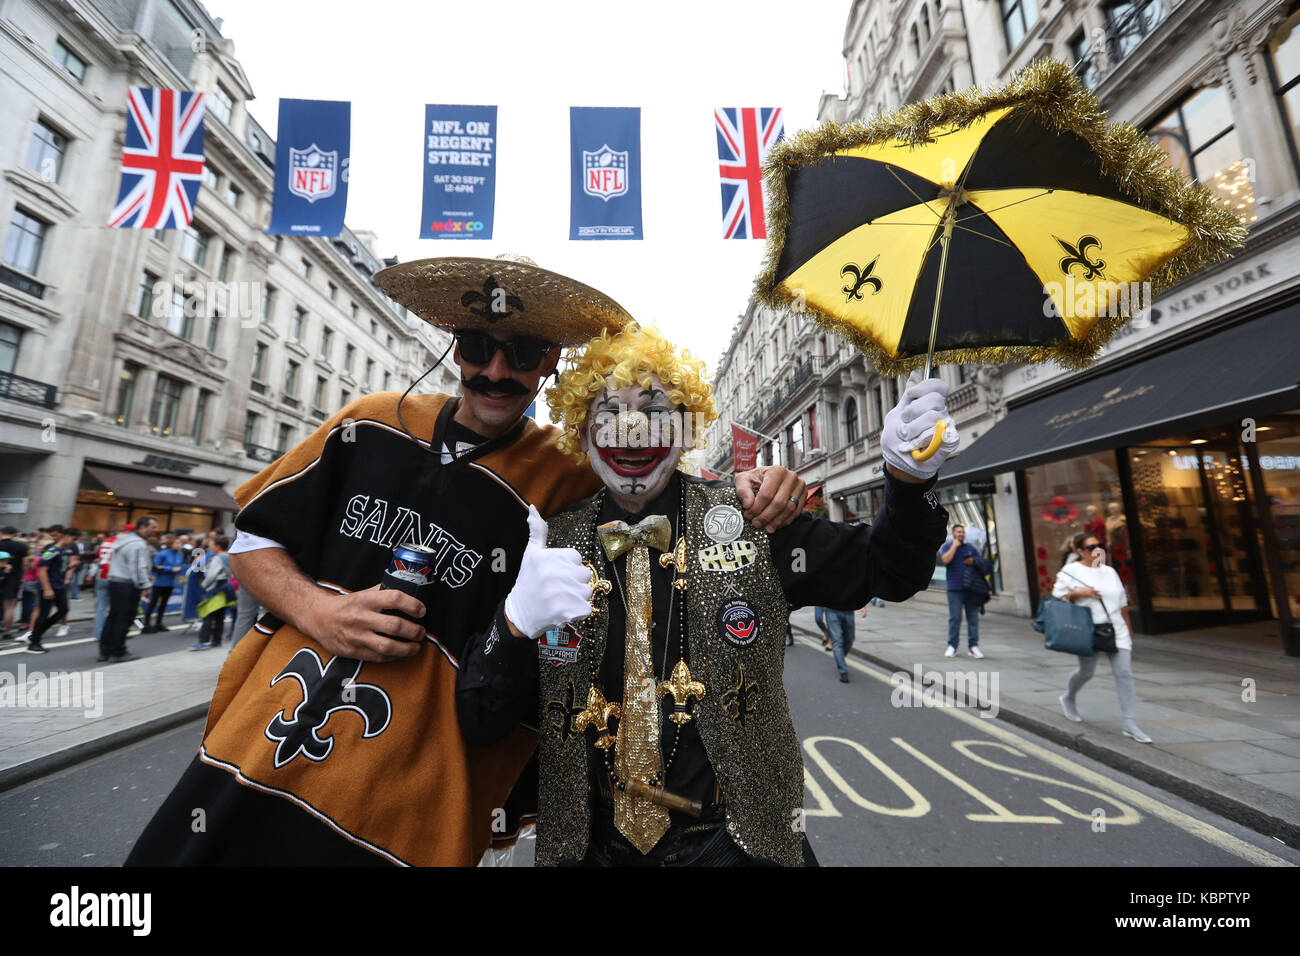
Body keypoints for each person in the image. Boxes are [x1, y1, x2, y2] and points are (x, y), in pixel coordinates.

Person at [125, 254, 806, 867]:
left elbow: (660, 486)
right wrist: (320, 611)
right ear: (456, 348)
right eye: (479, 347)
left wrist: (746, 490)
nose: (496, 372)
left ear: (550, 364)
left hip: (422, 784)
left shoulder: (566, 477)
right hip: (271, 745)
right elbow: (251, 540)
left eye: (522, 353)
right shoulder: (368, 424)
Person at [456, 324, 955, 866]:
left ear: (687, 427)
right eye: (609, 413)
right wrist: (512, 623)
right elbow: (482, 719)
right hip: (591, 848)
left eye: (654, 412)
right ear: (580, 432)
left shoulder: (753, 519)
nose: (632, 432)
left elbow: (888, 571)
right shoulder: (546, 546)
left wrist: (907, 483)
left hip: (734, 845)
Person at [1054, 531, 1151, 744]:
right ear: (1079, 551)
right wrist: (1079, 593)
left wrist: (1128, 627)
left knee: (1124, 674)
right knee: (1087, 672)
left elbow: (1122, 600)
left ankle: (1129, 723)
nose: (1097, 550)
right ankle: (1068, 697)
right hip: (1089, 631)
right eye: (1090, 547)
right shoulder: (1070, 571)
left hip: (1117, 630)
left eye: (1099, 546)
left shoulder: (1109, 571)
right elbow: (1057, 599)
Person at [101, 517, 157, 663]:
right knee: (124, 618)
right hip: (127, 584)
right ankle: (119, 652)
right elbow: (138, 567)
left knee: (113, 617)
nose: (154, 530)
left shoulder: (123, 541)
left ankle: (105, 651)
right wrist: (145, 585)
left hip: (115, 581)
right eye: (153, 527)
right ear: (143, 527)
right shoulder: (137, 545)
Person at [27, 528, 79, 654]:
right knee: (43, 614)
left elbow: (59, 567)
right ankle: (34, 643)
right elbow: (42, 570)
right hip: (49, 586)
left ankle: (36, 634)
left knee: (64, 610)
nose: (75, 542)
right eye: (74, 539)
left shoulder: (66, 551)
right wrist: (47, 589)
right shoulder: (51, 551)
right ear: (66, 536)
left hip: (59, 585)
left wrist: (71, 566)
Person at [939, 524, 985, 658]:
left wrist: (974, 562)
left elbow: (980, 562)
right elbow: (945, 560)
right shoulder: (947, 546)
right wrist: (954, 546)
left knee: (973, 619)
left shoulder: (970, 548)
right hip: (954, 589)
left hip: (971, 589)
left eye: (963, 532)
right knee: (955, 618)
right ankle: (952, 646)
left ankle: (973, 646)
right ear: (953, 534)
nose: (961, 534)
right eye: (958, 532)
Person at [191, 534, 234, 649]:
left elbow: (211, 576)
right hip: (225, 589)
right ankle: (217, 640)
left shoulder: (217, 559)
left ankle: (203, 641)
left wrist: (204, 586)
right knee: (220, 617)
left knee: (208, 615)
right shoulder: (229, 557)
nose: (210, 548)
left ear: (217, 546)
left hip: (215, 589)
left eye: (212, 545)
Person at [145, 534, 186, 633]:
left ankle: (159, 623)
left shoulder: (180, 555)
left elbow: (180, 566)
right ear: (170, 544)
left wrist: (179, 569)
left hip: (170, 583)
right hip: (159, 583)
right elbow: (155, 567)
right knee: (153, 603)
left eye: (180, 543)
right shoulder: (163, 553)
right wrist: (170, 569)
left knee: (163, 604)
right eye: (176, 543)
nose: (179, 545)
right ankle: (146, 625)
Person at [0, 526, 27, 641]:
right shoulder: (21, 546)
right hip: (13, 578)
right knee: (9, 607)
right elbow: (25, 563)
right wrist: (23, 576)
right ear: (14, 534)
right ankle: (7, 632)